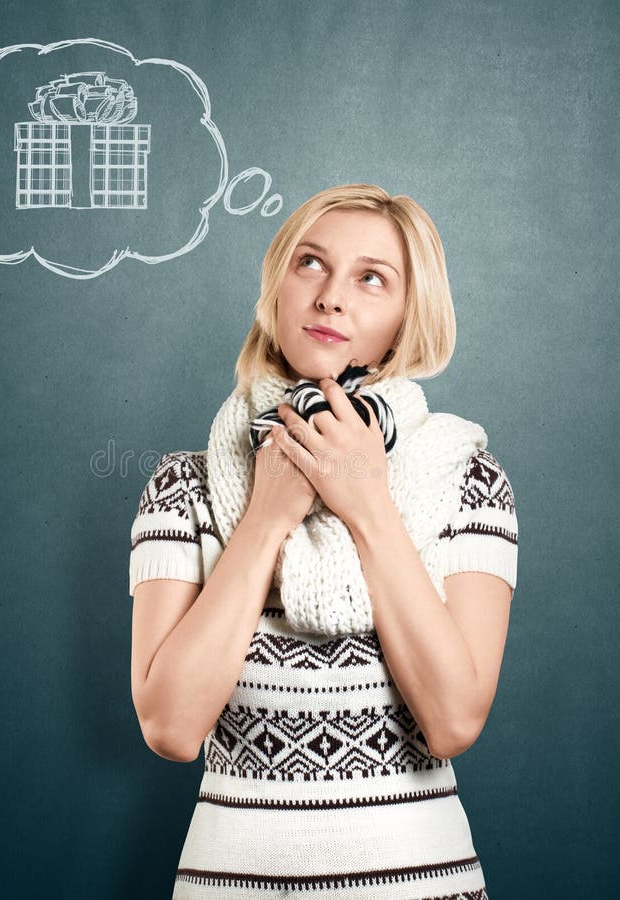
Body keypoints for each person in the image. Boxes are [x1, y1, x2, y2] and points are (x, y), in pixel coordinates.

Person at [128, 183, 518, 898]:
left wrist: (367, 505)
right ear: (277, 289)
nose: (331, 296)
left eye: (372, 278)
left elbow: (454, 720)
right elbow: (172, 729)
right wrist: (268, 515)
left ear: (406, 320)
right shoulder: (183, 487)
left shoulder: (465, 475)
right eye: (310, 264)